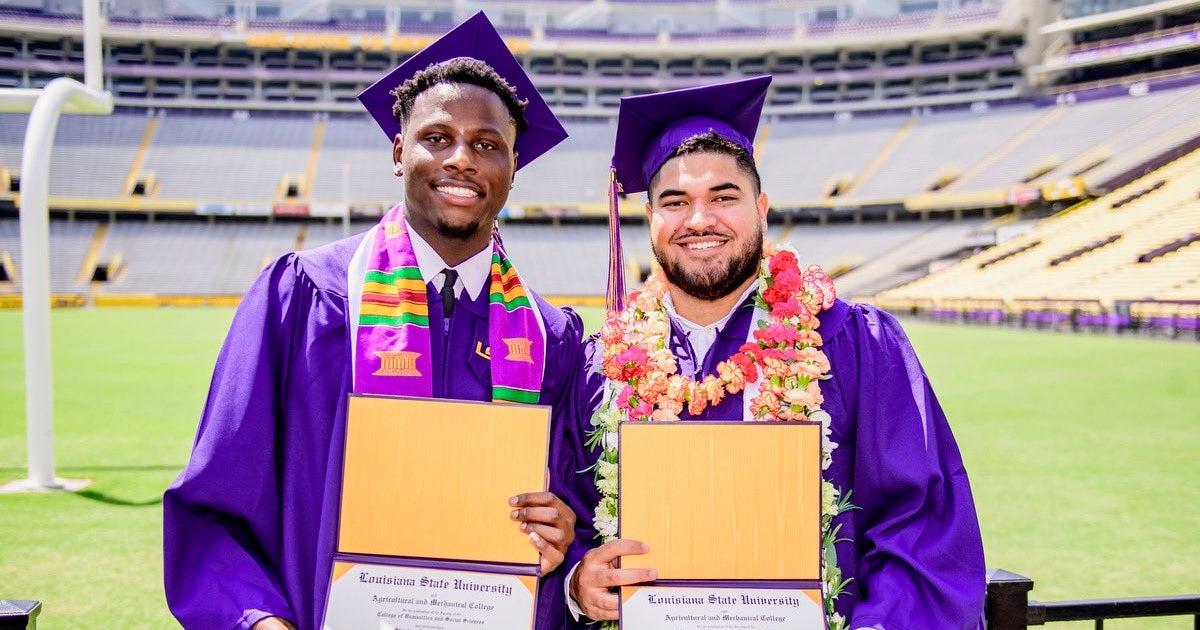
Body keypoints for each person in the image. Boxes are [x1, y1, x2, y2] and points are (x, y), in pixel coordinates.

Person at [163, 13, 581, 630]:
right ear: (397, 151)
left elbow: (579, 514)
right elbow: (218, 500)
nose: (462, 159)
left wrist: (564, 533)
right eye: (437, 137)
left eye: (488, 144)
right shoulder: (304, 298)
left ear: (514, 167)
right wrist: (259, 623)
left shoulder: (553, 340)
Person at [552, 76, 986, 629]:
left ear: (761, 207)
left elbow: (920, 532)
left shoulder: (852, 344)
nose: (700, 219)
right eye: (675, 201)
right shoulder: (604, 366)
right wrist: (576, 580)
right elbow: (564, 517)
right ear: (651, 220)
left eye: (723, 197)